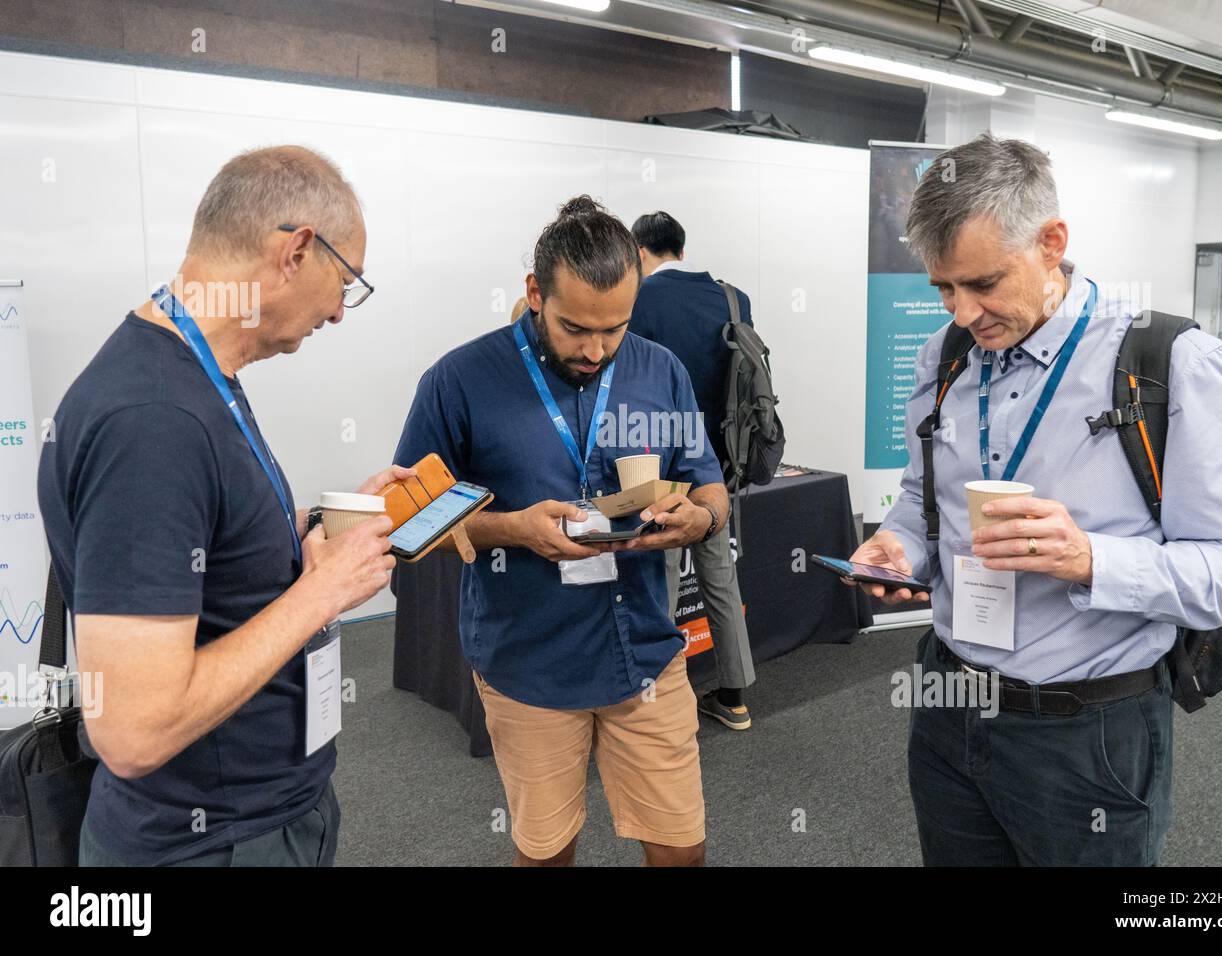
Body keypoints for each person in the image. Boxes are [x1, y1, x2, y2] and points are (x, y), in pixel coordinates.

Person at [851, 132, 1222, 866]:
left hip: (1089, 730)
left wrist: (1091, 561)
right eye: (944, 289)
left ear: (1052, 243)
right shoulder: (944, 357)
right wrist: (900, 546)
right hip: (949, 704)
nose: (962, 312)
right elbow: (922, 500)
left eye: (983, 283)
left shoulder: (1163, 362)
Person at [38, 146, 406, 866]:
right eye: (346, 282)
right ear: (297, 251)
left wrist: (325, 522)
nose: (338, 311)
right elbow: (136, 731)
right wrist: (324, 590)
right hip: (210, 842)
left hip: (251, 816)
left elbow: (203, 544)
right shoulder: (154, 419)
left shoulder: (190, 378)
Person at [394, 196, 728, 866]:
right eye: (576, 328)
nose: (596, 349)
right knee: (546, 853)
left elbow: (708, 481)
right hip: (530, 660)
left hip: (646, 652)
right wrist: (514, 528)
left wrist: (700, 519)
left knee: (682, 848)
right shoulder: (459, 380)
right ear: (533, 294)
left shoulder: (659, 369)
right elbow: (409, 519)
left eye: (615, 329)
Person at [628, 211, 757, 731]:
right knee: (721, 579)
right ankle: (734, 695)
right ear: (681, 248)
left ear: (640, 253)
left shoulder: (641, 300)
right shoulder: (734, 298)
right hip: (721, 462)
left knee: (658, 579)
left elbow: (629, 378)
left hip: (656, 462)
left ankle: (658, 701)